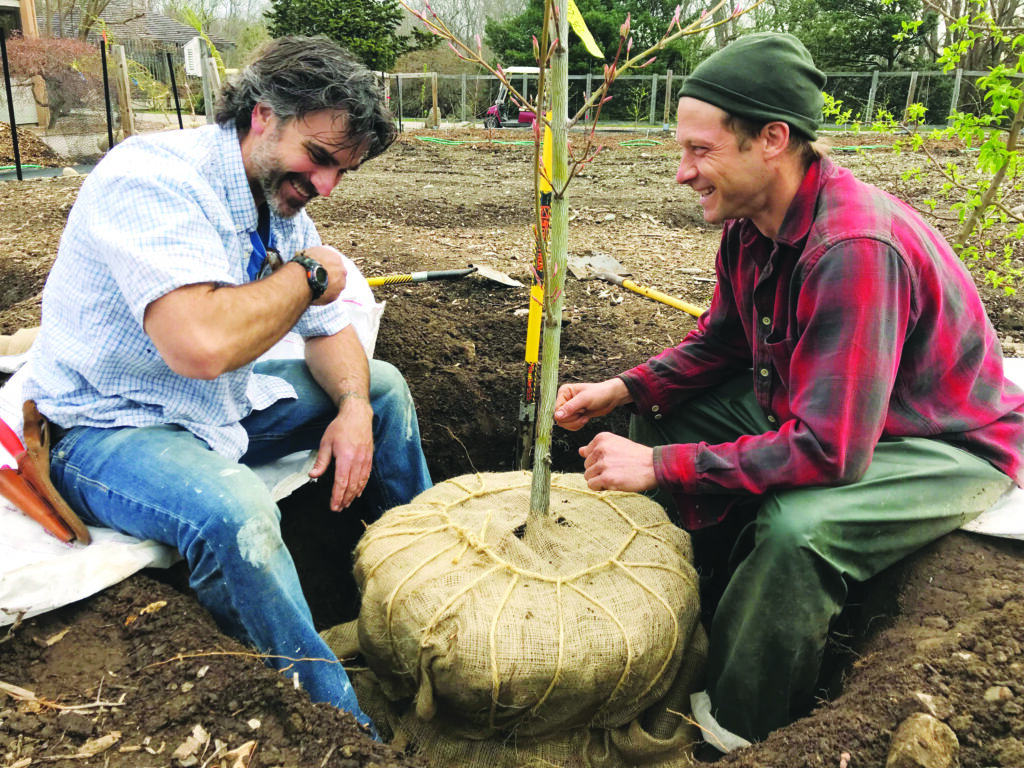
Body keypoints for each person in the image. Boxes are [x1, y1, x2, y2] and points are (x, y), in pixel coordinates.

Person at [554, 32, 1024, 760]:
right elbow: (724, 345)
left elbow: (831, 449)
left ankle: (732, 728)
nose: (683, 172)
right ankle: (673, 602)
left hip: (939, 440)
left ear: (772, 139)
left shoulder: (852, 251)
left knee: (794, 532)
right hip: (826, 407)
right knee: (661, 416)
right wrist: (625, 389)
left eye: (700, 151)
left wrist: (665, 468)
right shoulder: (751, 227)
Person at [22, 36, 432, 731]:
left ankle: (427, 587)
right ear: (264, 114)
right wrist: (307, 276)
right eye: (321, 158)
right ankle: (337, 724)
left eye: (343, 171)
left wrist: (356, 406)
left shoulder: (280, 203)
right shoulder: (153, 180)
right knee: (234, 510)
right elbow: (202, 345)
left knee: (384, 385)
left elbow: (329, 327)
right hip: (106, 427)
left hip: (214, 409)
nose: (327, 185)